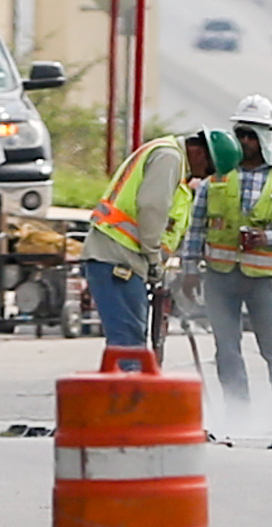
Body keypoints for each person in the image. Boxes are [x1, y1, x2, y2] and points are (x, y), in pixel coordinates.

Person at [181, 94, 272, 449]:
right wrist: (189, 268)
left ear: (266, 136)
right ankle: (238, 416)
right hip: (220, 275)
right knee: (226, 349)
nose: (246, 142)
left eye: (253, 135)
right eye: (242, 133)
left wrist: (268, 237)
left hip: (262, 277)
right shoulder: (219, 169)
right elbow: (197, 222)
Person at [82, 128, 241, 359]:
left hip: (123, 260)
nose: (203, 177)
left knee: (131, 340)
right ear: (199, 153)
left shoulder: (168, 157)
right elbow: (152, 208)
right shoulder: (170, 157)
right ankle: (130, 392)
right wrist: (154, 258)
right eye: (209, 170)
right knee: (128, 344)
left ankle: (127, 390)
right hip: (117, 259)